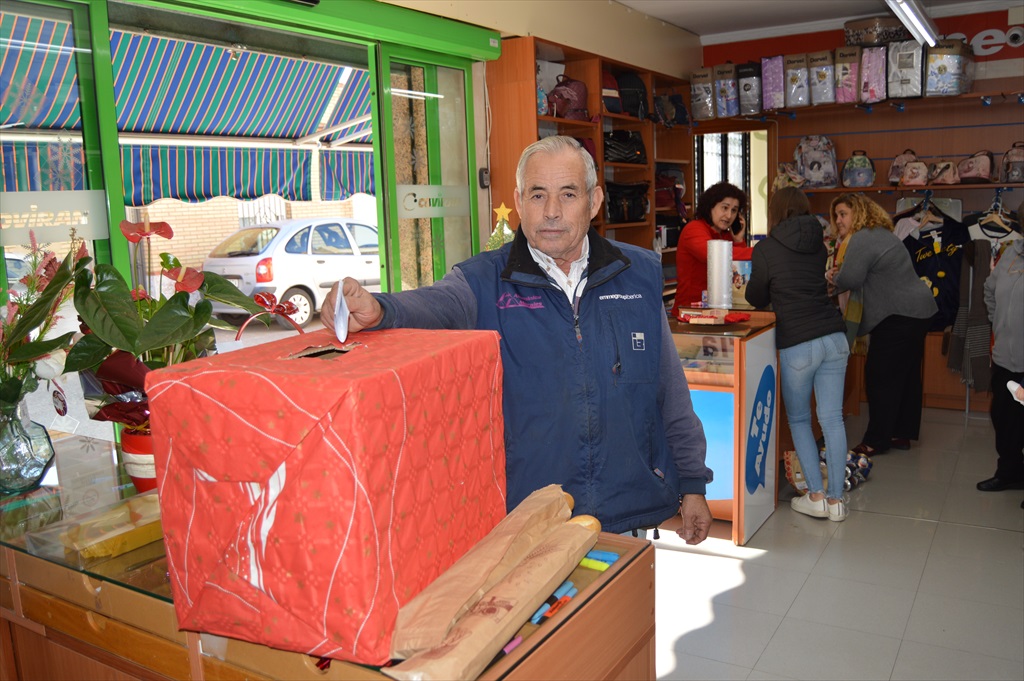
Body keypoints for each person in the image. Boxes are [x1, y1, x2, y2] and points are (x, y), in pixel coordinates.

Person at [322, 135, 713, 543]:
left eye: (568, 193)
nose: (552, 212)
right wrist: (381, 308)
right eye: (537, 194)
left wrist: (693, 483)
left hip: (625, 509)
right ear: (519, 201)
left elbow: (668, 389)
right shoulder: (483, 281)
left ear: (594, 201)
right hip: (528, 518)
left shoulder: (636, 274)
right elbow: (434, 305)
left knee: (617, 606)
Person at [746, 187, 850, 521]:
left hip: (798, 342)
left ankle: (815, 496)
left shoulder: (766, 249)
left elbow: (755, 296)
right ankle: (836, 502)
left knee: (801, 420)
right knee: (832, 419)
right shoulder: (818, 245)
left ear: (774, 212)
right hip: (834, 336)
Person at [827, 193, 937, 456]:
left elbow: (852, 278)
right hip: (916, 311)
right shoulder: (879, 233)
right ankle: (900, 433)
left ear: (860, 213)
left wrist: (832, 278)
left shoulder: (863, 237)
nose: (838, 220)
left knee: (880, 376)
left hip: (899, 314)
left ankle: (876, 440)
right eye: (836, 215)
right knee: (906, 375)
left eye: (843, 214)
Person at [977, 201, 1023, 493]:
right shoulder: (1011, 253)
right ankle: (1009, 472)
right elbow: (989, 291)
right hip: (1006, 358)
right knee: (1004, 420)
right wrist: (999, 325)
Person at [672, 181, 753, 315]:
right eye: (724, 208)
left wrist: (738, 240)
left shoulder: (726, 235)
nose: (728, 216)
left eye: (734, 210)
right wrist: (763, 251)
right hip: (690, 313)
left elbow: (740, 266)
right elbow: (715, 256)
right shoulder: (694, 229)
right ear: (710, 206)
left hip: (718, 311)